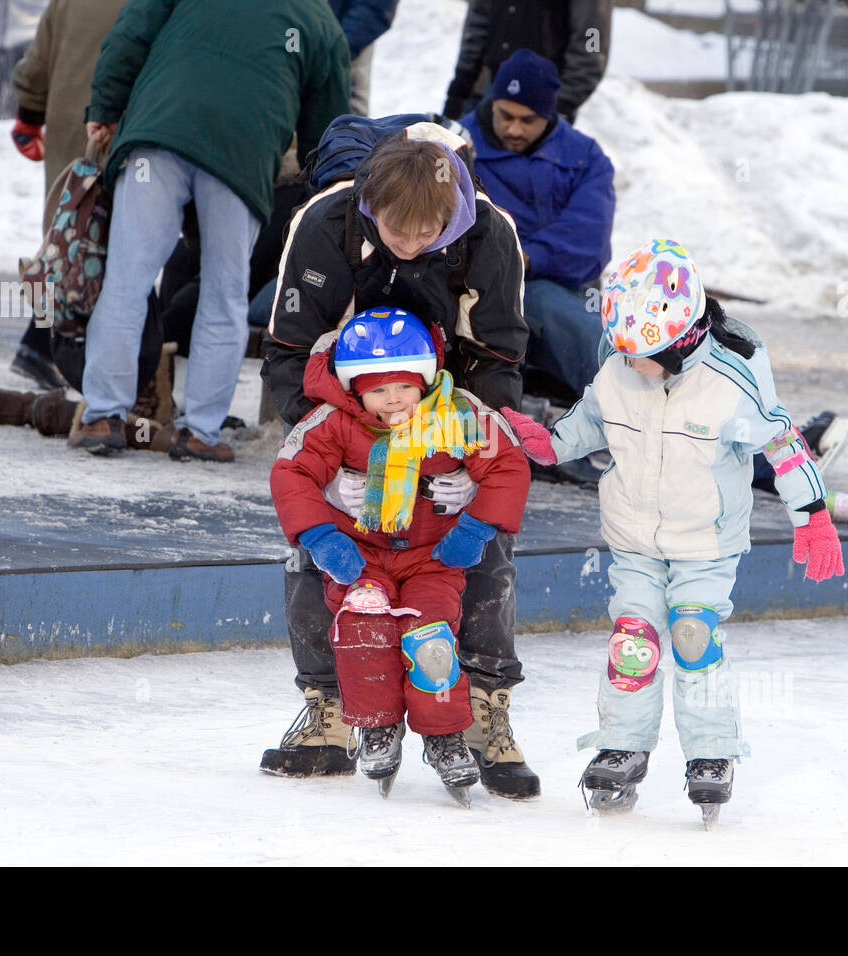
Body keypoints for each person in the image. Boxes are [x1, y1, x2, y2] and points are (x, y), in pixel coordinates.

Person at [502, 239, 845, 824]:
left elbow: (784, 445)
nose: (628, 361)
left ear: (681, 341)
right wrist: (547, 443)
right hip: (635, 540)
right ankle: (624, 746)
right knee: (632, 644)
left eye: (643, 352)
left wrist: (812, 516)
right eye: (623, 348)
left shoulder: (729, 381)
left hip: (706, 545)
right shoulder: (622, 366)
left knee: (692, 638)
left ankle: (712, 755)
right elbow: (587, 423)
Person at [261, 123, 542, 798]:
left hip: (447, 413)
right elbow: (288, 352)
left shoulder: (489, 237)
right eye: (397, 231)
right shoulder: (325, 223)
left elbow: (500, 357)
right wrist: (333, 459)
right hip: (348, 415)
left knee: (484, 545)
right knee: (312, 548)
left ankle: (482, 707)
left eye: (428, 234)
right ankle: (328, 707)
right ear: (369, 206)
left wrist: (454, 460)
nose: (413, 245)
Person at [69, 0, 350, 461]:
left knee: (126, 279)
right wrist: (327, 185)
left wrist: (105, 105)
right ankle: (200, 432)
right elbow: (328, 130)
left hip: (158, 133)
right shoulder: (318, 19)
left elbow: (130, 34)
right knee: (225, 293)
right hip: (242, 153)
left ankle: (102, 417)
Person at [270, 308, 530, 803]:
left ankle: (443, 733)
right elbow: (291, 472)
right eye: (377, 388)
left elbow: (507, 463)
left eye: (405, 386)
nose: (394, 399)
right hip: (362, 554)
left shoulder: (457, 414)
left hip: (433, 556)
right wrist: (323, 537)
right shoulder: (333, 422)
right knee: (364, 624)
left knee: (431, 636)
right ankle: (377, 725)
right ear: (354, 390)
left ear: (426, 380)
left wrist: (475, 527)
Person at [461, 49, 613, 404]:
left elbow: (588, 240)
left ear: (550, 115)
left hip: (568, 285)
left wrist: (524, 256)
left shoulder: (585, 156)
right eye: (506, 116)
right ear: (492, 103)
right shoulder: (460, 148)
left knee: (615, 336)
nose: (514, 129)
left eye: (527, 120)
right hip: (485, 286)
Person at [7, 0, 128, 391]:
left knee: (64, 241)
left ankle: (41, 343)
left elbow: (38, 58)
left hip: (67, 128)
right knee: (102, 251)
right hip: (115, 132)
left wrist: (29, 112)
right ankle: (51, 348)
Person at [442, 0, 611, 124]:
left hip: (544, 102)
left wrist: (561, 106)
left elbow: (592, 40)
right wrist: (460, 86)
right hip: (487, 91)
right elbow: (478, 21)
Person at [328, 0, 399, 115]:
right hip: (307, 41)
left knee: (348, 122)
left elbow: (376, 7)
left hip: (346, 45)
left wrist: (339, 48)